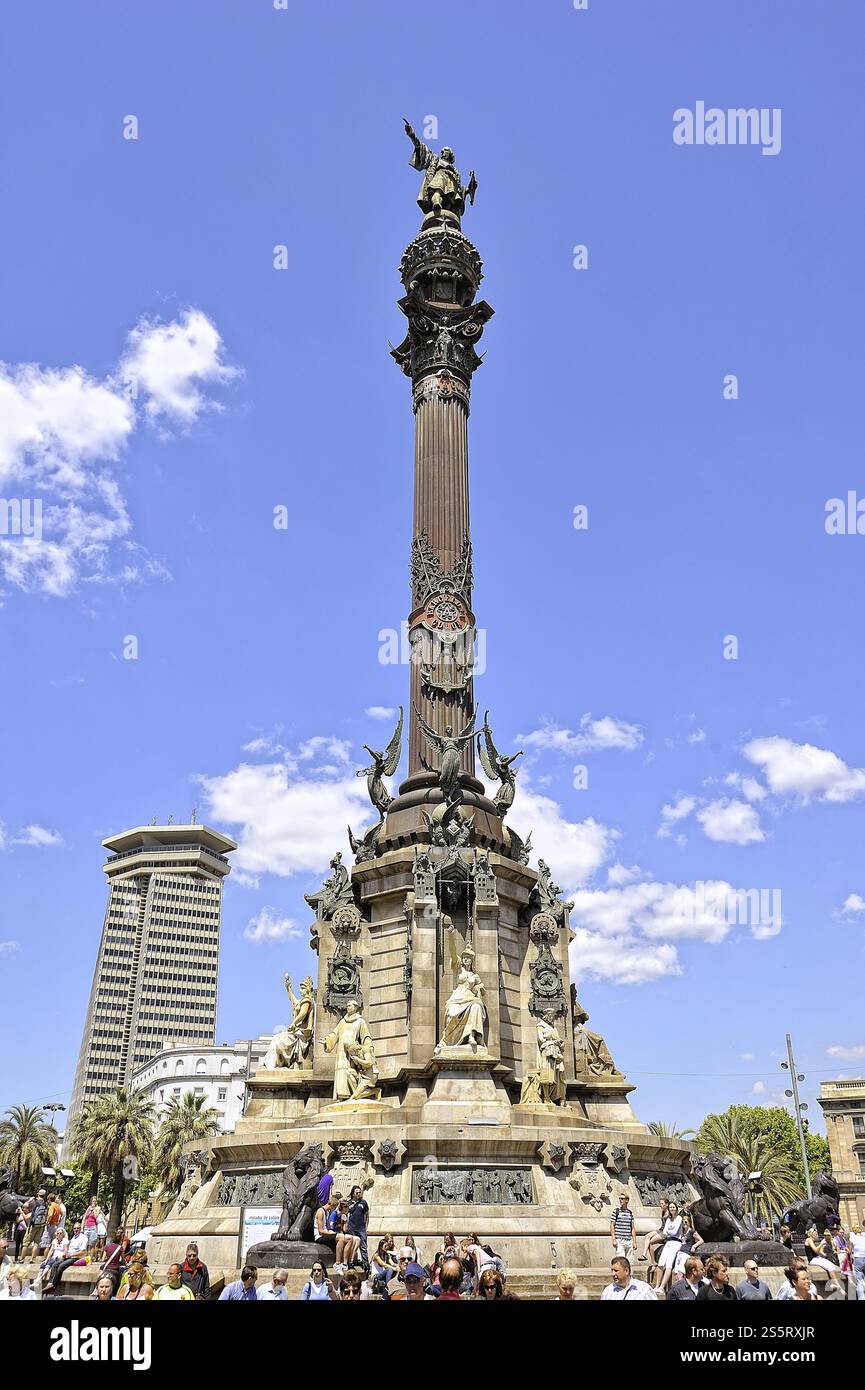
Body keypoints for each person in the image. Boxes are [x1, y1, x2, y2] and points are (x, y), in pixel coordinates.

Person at [654, 1202, 684, 1294]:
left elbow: (674, 1232)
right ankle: (657, 1286)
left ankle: (662, 1287)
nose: (672, 1209)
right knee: (660, 1263)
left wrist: (668, 1232)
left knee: (669, 1264)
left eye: (673, 1207)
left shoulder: (679, 1218)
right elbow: (664, 1232)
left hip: (676, 1242)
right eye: (670, 1207)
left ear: (676, 1208)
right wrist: (667, 1232)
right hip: (668, 1242)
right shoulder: (668, 1219)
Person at [639, 1197, 670, 1270]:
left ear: (667, 1204)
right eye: (660, 1204)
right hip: (661, 1229)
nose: (661, 1205)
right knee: (647, 1236)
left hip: (665, 1232)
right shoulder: (663, 1211)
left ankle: (653, 1262)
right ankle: (644, 1254)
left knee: (650, 1242)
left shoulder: (669, 1213)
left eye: (662, 1204)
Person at [672, 1212, 703, 1278]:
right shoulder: (682, 1232)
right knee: (676, 1273)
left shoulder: (692, 1231)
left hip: (686, 1253)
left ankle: (680, 1288)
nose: (684, 1224)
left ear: (689, 1223)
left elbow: (701, 1240)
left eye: (686, 1222)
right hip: (680, 1253)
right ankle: (677, 1287)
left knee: (681, 1273)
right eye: (683, 1222)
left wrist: (694, 1246)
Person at [347, 1184, 370, 1270]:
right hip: (352, 1228)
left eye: (360, 1193)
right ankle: (352, 1261)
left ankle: (366, 1265)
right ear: (353, 1193)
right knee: (353, 1246)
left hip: (361, 1228)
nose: (358, 1194)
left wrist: (366, 1226)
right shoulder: (349, 1203)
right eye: (357, 1193)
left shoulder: (363, 1202)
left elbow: (367, 1214)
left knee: (363, 1247)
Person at [610, 1192, 635, 1266]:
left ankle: (628, 1276)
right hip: (619, 1240)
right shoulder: (616, 1211)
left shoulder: (630, 1212)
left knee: (629, 1262)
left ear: (627, 1200)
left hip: (628, 1240)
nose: (620, 1200)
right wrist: (614, 1239)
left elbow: (632, 1228)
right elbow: (612, 1225)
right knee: (621, 1260)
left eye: (622, 1199)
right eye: (619, 1198)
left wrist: (634, 1241)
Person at [23, 1190, 47, 1262]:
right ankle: (33, 1259)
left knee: (26, 1243)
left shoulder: (34, 1202)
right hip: (40, 1225)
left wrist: (29, 1200)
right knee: (36, 1243)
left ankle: (21, 1259)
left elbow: (25, 1206)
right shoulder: (45, 1204)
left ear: (38, 1194)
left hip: (33, 1225)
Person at [850, 1225, 865, 1299]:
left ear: (853, 1231)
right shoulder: (864, 1237)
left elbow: (850, 1250)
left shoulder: (852, 1238)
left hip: (858, 1259)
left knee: (859, 1281)